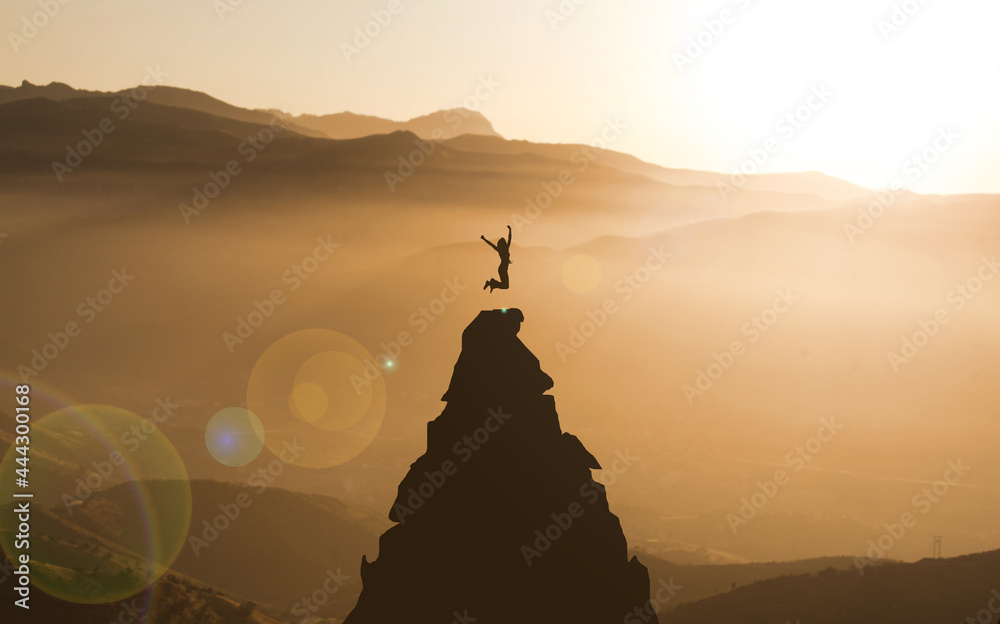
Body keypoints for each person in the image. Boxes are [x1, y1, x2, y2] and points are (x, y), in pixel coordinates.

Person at [481, 225, 512, 292]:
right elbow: (509, 239)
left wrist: (484, 239)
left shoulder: (500, 250)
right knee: (506, 286)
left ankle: (491, 283)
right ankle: (492, 283)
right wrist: (510, 230)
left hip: (502, 268)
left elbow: (491, 244)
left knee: (505, 285)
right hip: (503, 269)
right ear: (503, 244)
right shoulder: (505, 249)